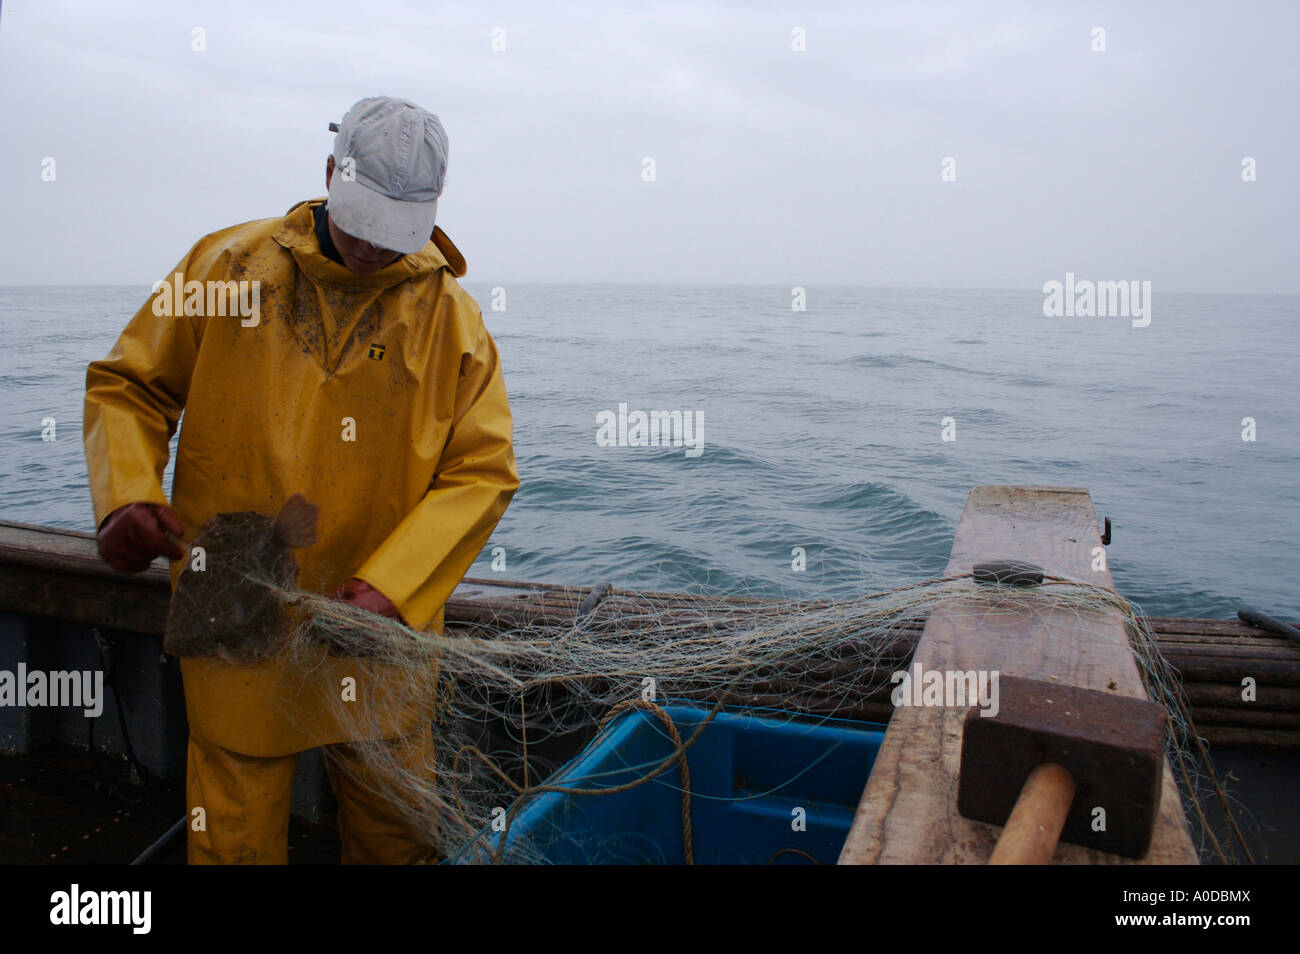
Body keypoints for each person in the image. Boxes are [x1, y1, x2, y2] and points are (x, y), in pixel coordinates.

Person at [83, 96, 519, 864]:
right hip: (237, 608)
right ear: (328, 175)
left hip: (379, 632)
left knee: (398, 834)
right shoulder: (225, 266)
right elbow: (131, 387)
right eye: (361, 222)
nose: (372, 249)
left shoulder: (453, 321)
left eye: (395, 232)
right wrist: (126, 493)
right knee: (233, 839)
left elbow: (481, 470)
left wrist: (395, 584)